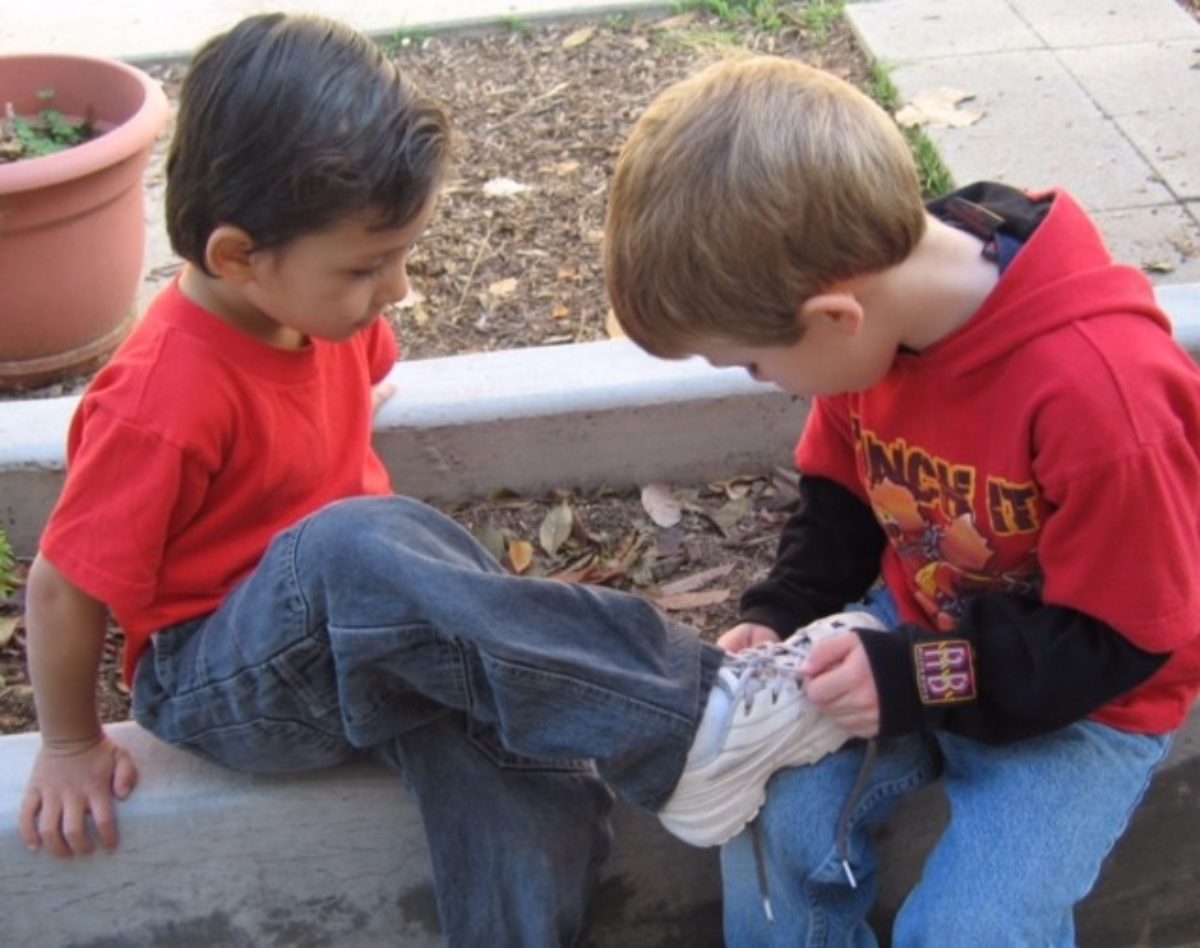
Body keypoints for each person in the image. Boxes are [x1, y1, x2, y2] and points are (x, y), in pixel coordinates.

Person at [17, 17, 857, 946]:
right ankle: (694, 717)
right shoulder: (159, 399)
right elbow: (62, 588)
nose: (399, 290)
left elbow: (335, 412)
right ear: (236, 259)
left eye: (401, 255)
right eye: (368, 266)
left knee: (527, 773)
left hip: (361, 642)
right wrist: (67, 744)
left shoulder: (312, 316)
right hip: (225, 679)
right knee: (363, 540)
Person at [603, 54, 1200, 945]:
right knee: (775, 822)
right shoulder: (876, 324)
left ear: (837, 316)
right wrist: (782, 613)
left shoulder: (1103, 396)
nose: (767, 385)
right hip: (916, 631)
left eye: (754, 364)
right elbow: (841, 495)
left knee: (979, 926)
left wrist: (920, 676)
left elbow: (1122, 640)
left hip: (1087, 702)